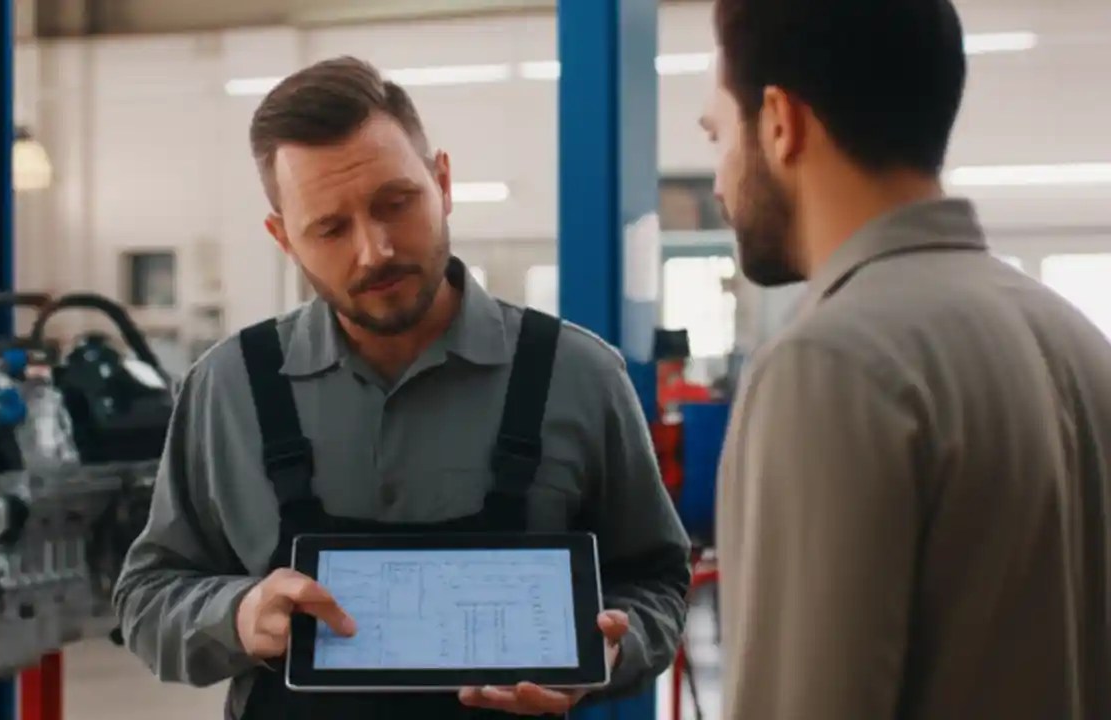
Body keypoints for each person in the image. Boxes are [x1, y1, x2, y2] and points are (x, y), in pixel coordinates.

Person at [113, 55, 692, 720]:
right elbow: (147, 595)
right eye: (330, 228)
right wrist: (237, 615)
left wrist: (613, 650)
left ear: (442, 182)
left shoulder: (579, 375)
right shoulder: (228, 388)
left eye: (397, 203)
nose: (375, 250)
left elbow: (656, 578)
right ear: (283, 238)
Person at [698, 0, 1111, 718]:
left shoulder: (830, 365)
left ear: (778, 122)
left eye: (717, 135)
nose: (717, 181)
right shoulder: (1076, 339)